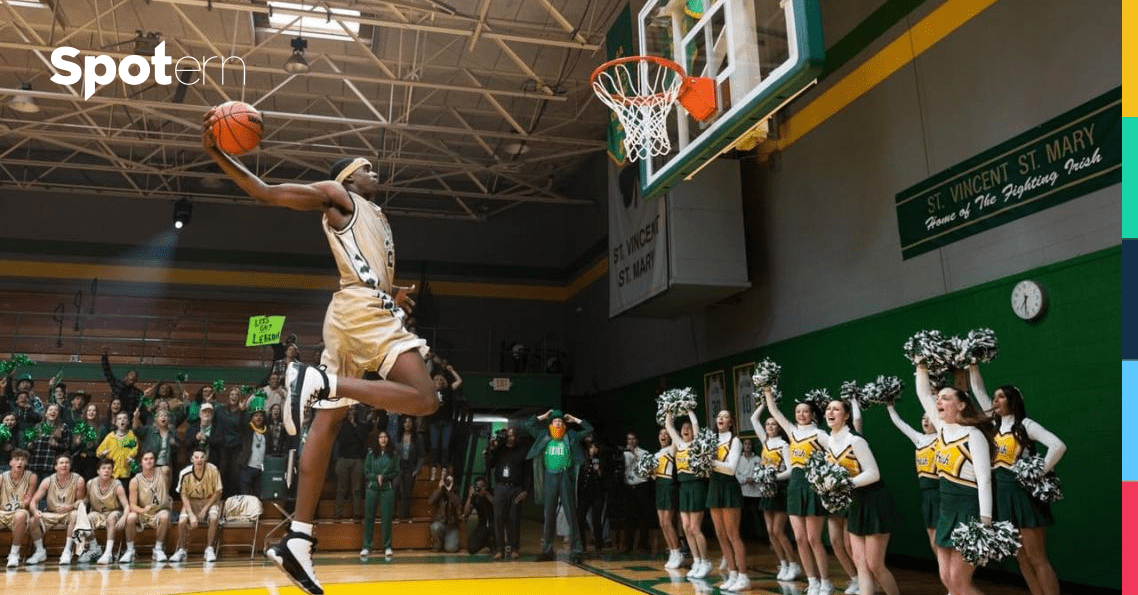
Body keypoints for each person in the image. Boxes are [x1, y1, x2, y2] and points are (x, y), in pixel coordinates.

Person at [204, 123, 439, 595]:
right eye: (366, 167)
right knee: (426, 398)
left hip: (357, 311)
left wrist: (392, 290)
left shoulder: (371, 214)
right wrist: (218, 151)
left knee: (326, 427)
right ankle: (321, 382)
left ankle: (298, 539)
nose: (376, 171)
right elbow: (267, 192)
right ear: (347, 179)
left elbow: (360, 265)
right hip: (361, 315)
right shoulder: (338, 195)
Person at [969, 367, 1066, 595]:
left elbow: (1058, 445)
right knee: (1020, 558)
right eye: (994, 397)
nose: (995, 400)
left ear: (1013, 400)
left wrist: (1038, 471)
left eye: (1001, 396)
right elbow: (977, 389)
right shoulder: (993, 427)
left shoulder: (1025, 425)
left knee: (1036, 557)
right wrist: (973, 364)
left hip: (1022, 495)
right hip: (1001, 495)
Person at [915, 362, 994, 595]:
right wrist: (920, 365)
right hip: (946, 509)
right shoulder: (941, 429)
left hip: (968, 509)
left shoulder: (973, 434)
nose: (938, 401)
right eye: (938, 397)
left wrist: (985, 521)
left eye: (946, 398)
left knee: (959, 582)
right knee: (947, 579)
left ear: (961, 405)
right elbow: (922, 393)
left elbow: (984, 480)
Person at [822, 399, 900, 595]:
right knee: (860, 563)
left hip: (874, 502)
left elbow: (874, 473)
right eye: (828, 408)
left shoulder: (855, 440)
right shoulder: (830, 441)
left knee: (875, 565)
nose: (831, 412)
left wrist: (845, 484)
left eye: (836, 409)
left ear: (846, 415)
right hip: (855, 503)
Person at [764, 386, 835, 595]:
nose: (801, 415)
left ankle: (826, 581)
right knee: (800, 539)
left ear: (813, 415)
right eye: (798, 412)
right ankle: (812, 581)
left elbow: (836, 452)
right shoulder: (792, 432)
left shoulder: (820, 435)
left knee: (814, 539)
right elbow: (775, 412)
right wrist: (767, 390)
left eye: (805, 411)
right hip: (795, 486)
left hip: (812, 486)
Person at [522, 409, 592, 563]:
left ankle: (577, 551)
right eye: (555, 421)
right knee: (549, 515)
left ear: (564, 424)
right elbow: (528, 424)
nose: (558, 422)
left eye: (560, 420)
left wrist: (574, 418)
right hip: (550, 476)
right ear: (551, 423)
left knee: (570, 513)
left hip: (565, 475)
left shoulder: (570, 436)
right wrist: (544, 416)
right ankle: (547, 550)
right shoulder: (544, 435)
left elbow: (588, 429)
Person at [884, 402, 941, 563]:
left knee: (940, 538)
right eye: (924, 417)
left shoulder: (943, 438)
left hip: (939, 492)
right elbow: (901, 424)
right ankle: (946, 577)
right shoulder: (919, 439)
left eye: (930, 418)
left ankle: (954, 581)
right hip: (926, 494)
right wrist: (890, 407)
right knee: (931, 537)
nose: (926, 421)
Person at [749, 403, 798, 582]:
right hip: (766, 490)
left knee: (778, 531)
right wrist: (763, 402)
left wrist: (773, 477)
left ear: (779, 427)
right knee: (770, 532)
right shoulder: (765, 442)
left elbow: (791, 470)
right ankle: (783, 563)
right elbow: (753, 419)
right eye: (768, 424)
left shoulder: (784, 445)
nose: (769, 427)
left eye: (773, 424)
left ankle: (793, 564)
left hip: (780, 489)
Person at [664, 410, 711, 579]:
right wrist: (669, 409)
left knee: (695, 528)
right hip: (683, 488)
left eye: (688, 427)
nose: (685, 429)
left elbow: (696, 426)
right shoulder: (679, 444)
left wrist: (690, 410)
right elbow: (669, 426)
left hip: (696, 486)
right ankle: (697, 560)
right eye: (683, 427)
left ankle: (705, 561)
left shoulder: (696, 444)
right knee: (686, 528)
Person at [706, 410, 749, 591]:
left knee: (733, 535)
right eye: (719, 416)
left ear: (731, 422)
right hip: (714, 487)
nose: (721, 419)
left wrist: (708, 461)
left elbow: (731, 468)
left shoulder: (735, 441)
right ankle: (732, 574)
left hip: (729, 487)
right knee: (721, 535)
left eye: (725, 417)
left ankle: (744, 576)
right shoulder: (710, 441)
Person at [27, 453, 87, 565]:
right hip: (51, 513)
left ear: (70, 466)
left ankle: (67, 551)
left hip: (68, 513)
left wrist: (71, 506)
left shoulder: (78, 480)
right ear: (55, 467)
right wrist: (35, 511)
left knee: (75, 514)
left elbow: (80, 502)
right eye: (61, 463)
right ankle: (40, 551)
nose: (64, 465)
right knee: (32, 521)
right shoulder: (47, 481)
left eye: (67, 463)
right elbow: (33, 501)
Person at [171, 446, 223, 563]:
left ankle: (209, 549)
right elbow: (183, 495)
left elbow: (218, 492)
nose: (199, 460)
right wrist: (191, 514)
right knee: (182, 521)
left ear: (206, 459)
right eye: (196, 457)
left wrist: (205, 509)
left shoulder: (213, 470)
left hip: (210, 500)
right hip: (192, 501)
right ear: (191, 459)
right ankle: (182, 550)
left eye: (202, 457)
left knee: (214, 518)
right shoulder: (185, 473)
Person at [487, 425, 531, 560]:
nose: (510, 438)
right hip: (500, 487)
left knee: (514, 519)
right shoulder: (500, 450)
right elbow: (490, 464)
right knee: (498, 518)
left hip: (516, 488)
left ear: (517, 437)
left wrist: (526, 491)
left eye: (513, 436)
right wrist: (492, 449)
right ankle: (499, 549)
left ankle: (514, 548)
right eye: (509, 435)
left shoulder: (523, 451)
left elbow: (528, 473)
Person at [122, 450, 172, 564]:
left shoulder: (163, 471)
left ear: (155, 461)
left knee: (165, 516)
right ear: (141, 462)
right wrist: (143, 510)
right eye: (145, 459)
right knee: (130, 517)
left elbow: (169, 470)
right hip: (143, 512)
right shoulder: (135, 481)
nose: (149, 461)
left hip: (158, 511)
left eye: (151, 459)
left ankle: (158, 549)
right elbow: (132, 505)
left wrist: (167, 492)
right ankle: (130, 550)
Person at [85, 458, 129, 565]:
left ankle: (108, 552)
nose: (106, 471)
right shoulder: (90, 483)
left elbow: (127, 506)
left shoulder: (117, 485)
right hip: (97, 513)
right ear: (98, 471)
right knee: (85, 518)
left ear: (112, 471)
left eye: (109, 468)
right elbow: (86, 500)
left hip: (114, 512)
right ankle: (94, 548)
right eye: (103, 468)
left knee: (111, 518)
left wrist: (124, 517)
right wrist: (80, 506)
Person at [650, 427, 683, 570]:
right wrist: (648, 470)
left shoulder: (671, 450)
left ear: (670, 437)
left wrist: (670, 419)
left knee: (668, 522)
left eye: (666, 434)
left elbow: (676, 438)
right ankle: (671, 551)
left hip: (669, 486)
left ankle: (677, 552)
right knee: (662, 523)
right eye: (660, 434)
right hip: (659, 486)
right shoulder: (656, 454)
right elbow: (653, 476)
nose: (663, 436)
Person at [361, 430, 397, 558]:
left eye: (385, 437)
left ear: (388, 439)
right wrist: (375, 477)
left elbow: (396, 471)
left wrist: (385, 476)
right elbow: (366, 470)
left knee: (386, 518)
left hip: (387, 488)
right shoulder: (371, 454)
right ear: (377, 439)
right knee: (369, 517)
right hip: (372, 488)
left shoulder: (393, 454)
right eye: (381, 437)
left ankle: (387, 546)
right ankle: (366, 546)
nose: (383, 439)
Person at [1, 449, 36, 568]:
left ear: (26, 462)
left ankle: (14, 554)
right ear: (10, 462)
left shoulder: (31, 477)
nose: (20, 462)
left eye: (23, 459)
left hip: (19, 511)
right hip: (2, 511)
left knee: (21, 515)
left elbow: (28, 501)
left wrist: (26, 502)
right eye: (16, 459)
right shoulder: (1, 478)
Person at [334, 405, 370, 518]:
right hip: (343, 458)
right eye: (349, 410)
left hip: (357, 459)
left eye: (354, 410)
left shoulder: (362, 426)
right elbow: (341, 440)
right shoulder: (341, 425)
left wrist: (354, 424)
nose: (352, 412)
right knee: (341, 488)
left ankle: (357, 512)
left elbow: (362, 439)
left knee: (357, 489)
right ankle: (338, 513)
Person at [620, 431, 652, 554]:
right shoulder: (623, 453)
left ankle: (644, 545)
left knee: (643, 517)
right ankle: (628, 545)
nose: (631, 441)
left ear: (637, 440)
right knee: (628, 518)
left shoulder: (644, 453)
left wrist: (634, 453)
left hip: (641, 486)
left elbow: (645, 469)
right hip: (629, 487)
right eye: (629, 439)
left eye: (633, 439)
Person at [396, 415, 424, 521]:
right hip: (399, 466)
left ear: (412, 424)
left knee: (406, 493)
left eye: (410, 422)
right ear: (402, 424)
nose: (407, 424)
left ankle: (404, 516)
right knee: (398, 490)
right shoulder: (398, 436)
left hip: (410, 467)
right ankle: (398, 514)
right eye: (406, 422)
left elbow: (421, 456)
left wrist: (417, 470)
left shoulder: (417, 438)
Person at [96, 411, 139, 480]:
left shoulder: (131, 436)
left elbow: (134, 450)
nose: (122, 420)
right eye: (119, 419)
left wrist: (130, 457)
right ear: (116, 423)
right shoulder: (110, 436)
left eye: (125, 418)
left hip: (125, 474)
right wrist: (103, 453)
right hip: (112, 474)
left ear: (128, 422)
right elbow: (98, 452)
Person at [428, 472, 462, 553]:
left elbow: (458, 504)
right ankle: (438, 543)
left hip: (452, 526)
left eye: (450, 481)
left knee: (451, 549)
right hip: (440, 523)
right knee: (435, 527)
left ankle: (447, 541)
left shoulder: (456, 493)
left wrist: (450, 492)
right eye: (446, 481)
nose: (448, 483)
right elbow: (430, 501)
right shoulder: (439, 493)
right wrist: (440, 489)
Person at [463, 476, 495, 555]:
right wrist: (470, 497)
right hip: (482, 524)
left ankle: (492, 542)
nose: (480, 488)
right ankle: (486, 542)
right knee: (471, 548)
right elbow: (466, 513)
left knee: (497, 550)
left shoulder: (491, 492)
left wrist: (486, 494)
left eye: (482, 486)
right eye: (478, 486)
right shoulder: (475, 497)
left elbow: (497, 505)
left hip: (495, 524)